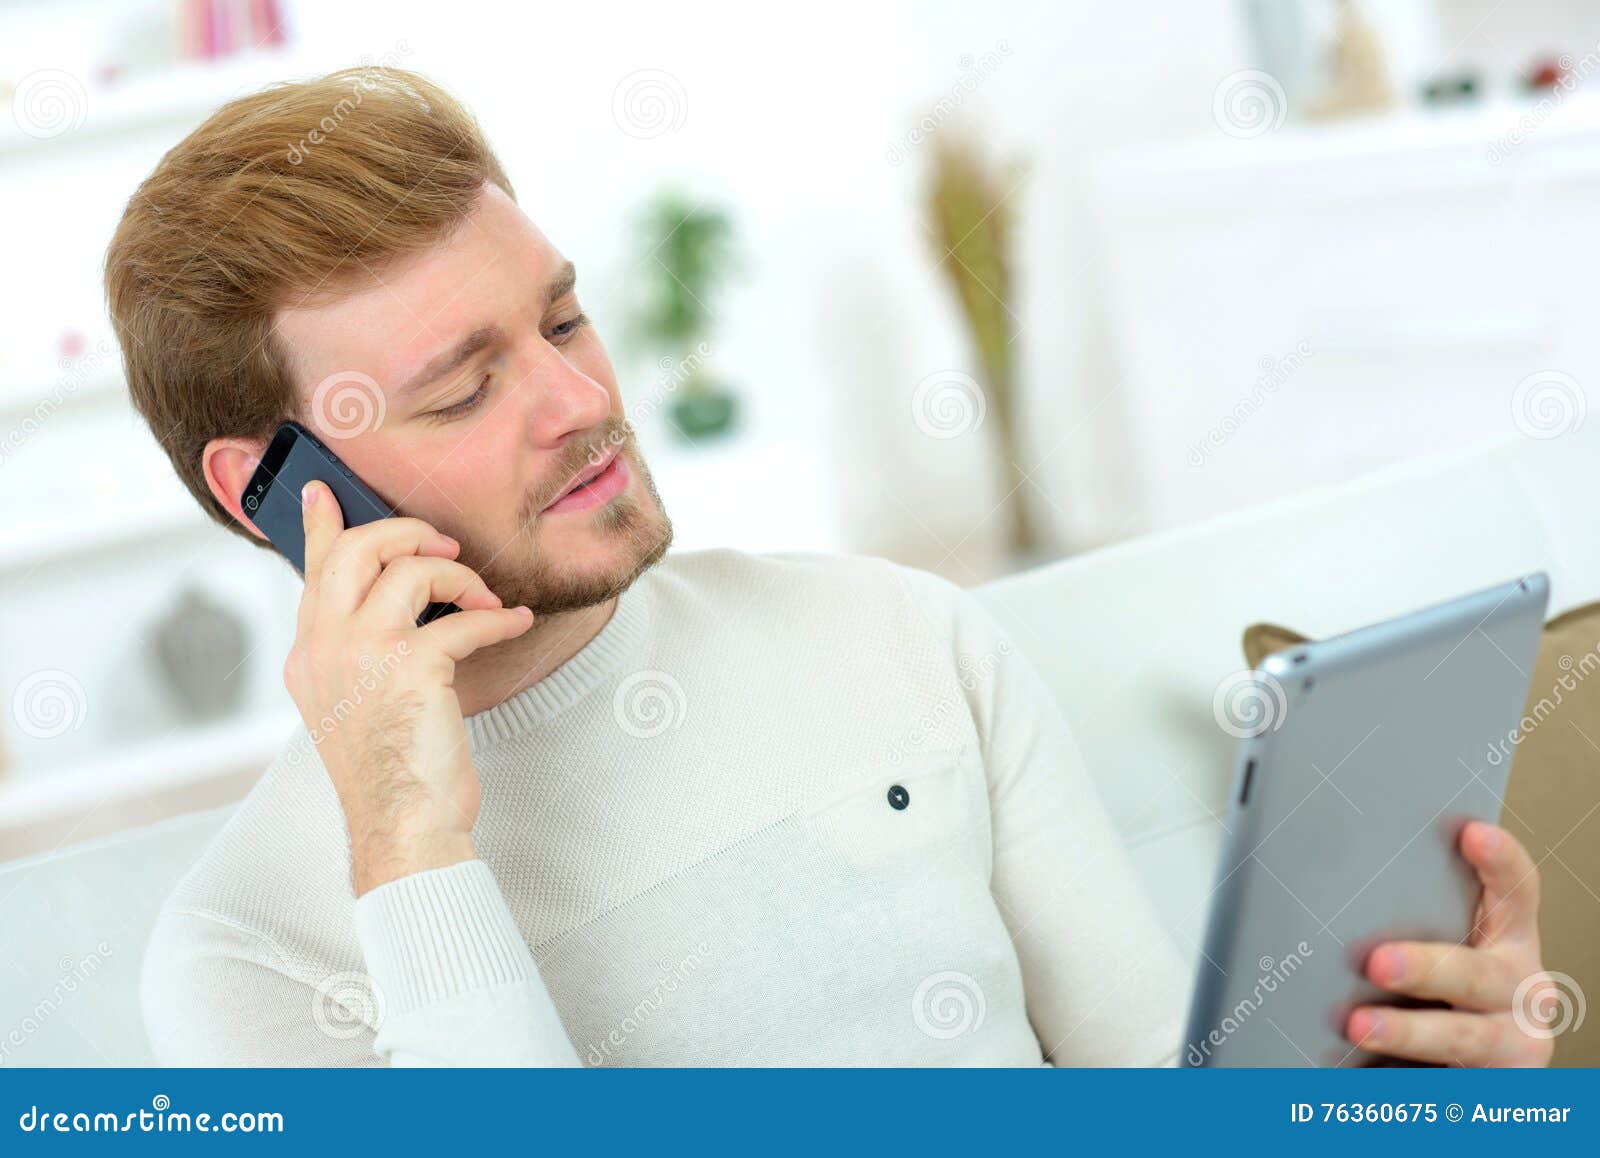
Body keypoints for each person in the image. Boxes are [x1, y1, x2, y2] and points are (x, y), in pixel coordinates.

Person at [106, 67, 1555, 1067]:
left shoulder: (897, 635)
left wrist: (1452, 1081)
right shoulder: (252, 948)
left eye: (560, 321)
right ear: (277, 491)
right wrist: (412, 851)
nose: (578, 402)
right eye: (461, 388)